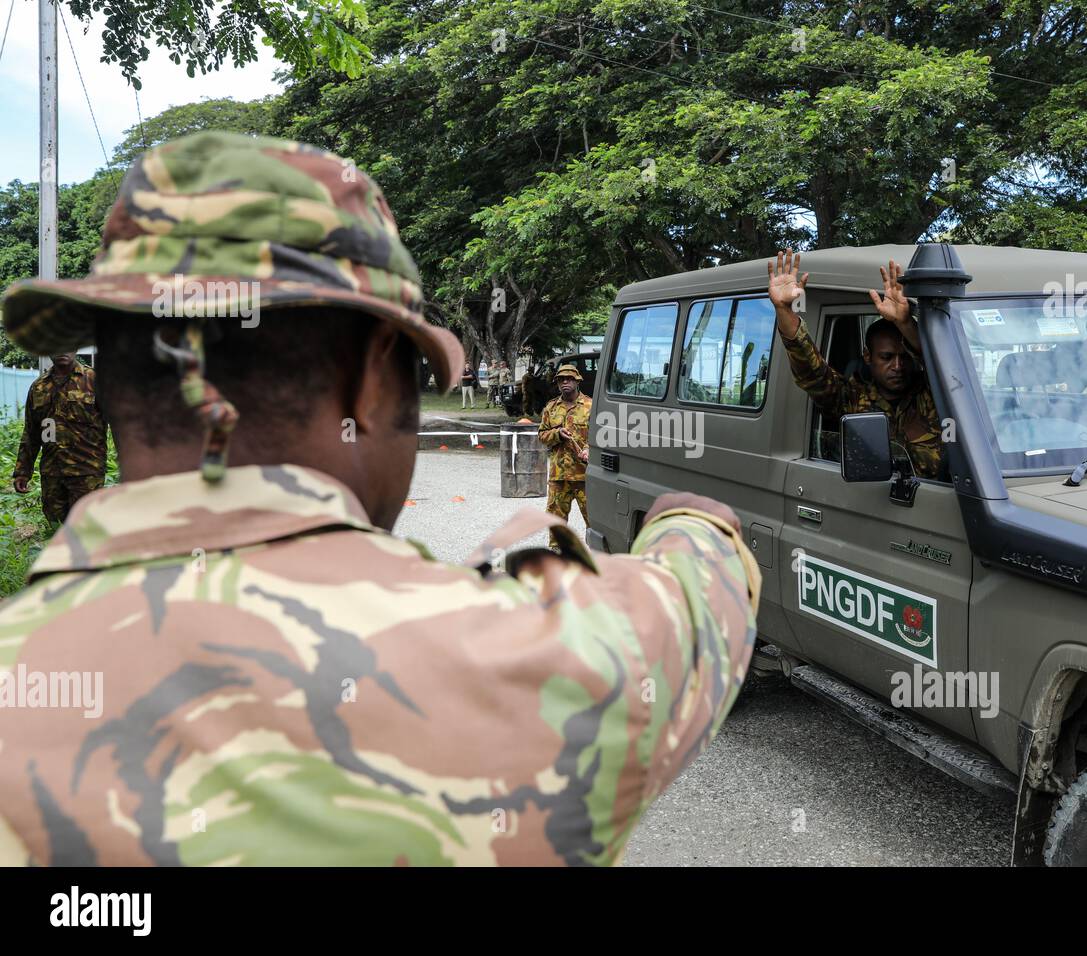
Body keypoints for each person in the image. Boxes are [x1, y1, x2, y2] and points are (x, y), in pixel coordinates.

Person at [0, 130, 761, 866]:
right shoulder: (534, 657)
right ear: (372, 382)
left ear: (106, 385)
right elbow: (698, 599)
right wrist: (691, 520)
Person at [768, 248, 944, 479]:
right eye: (887, 357)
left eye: (905, 356)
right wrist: (784, 311)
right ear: (868, 356)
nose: (898, 366)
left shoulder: (930, 392)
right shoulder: (850, 398)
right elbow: (813, 373)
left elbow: (944, 370)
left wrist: (906, 324)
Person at [11, 351, 108, 525]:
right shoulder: (38, 387)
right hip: (52, 474)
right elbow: (31, 433)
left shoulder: (95, 381)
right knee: (55, 528)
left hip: (86, 473)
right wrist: (23, 471)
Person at [538, 364, 591, 548]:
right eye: (561, 379)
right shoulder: (551, 408)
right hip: (559, 477)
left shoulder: (590, 406)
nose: (565, 382)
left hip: (584, 476)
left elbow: (601, 436)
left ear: (577, 381)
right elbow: (542, 435)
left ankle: (599, 560)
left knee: (595, 520)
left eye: (569, 378)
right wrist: (556, 434)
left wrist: (589, 449)